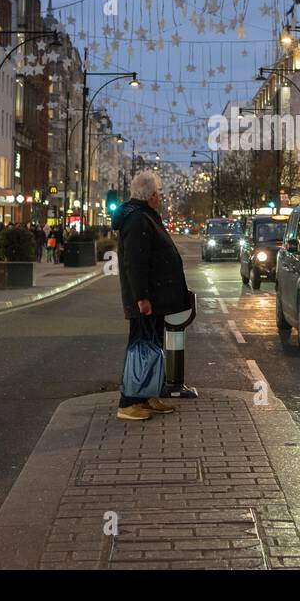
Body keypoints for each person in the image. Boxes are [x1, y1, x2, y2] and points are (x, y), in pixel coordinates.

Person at [111, 170, 187, 421]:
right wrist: (142, 298)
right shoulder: (138, 220)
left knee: (151, 346)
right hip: (146, 300)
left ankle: (147, 395)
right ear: (151, 195)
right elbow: (136, 263)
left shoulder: (145, 216)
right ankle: (129, 402)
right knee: (140, 348)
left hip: (155, 298)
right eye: (158, 194)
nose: (160, 198)